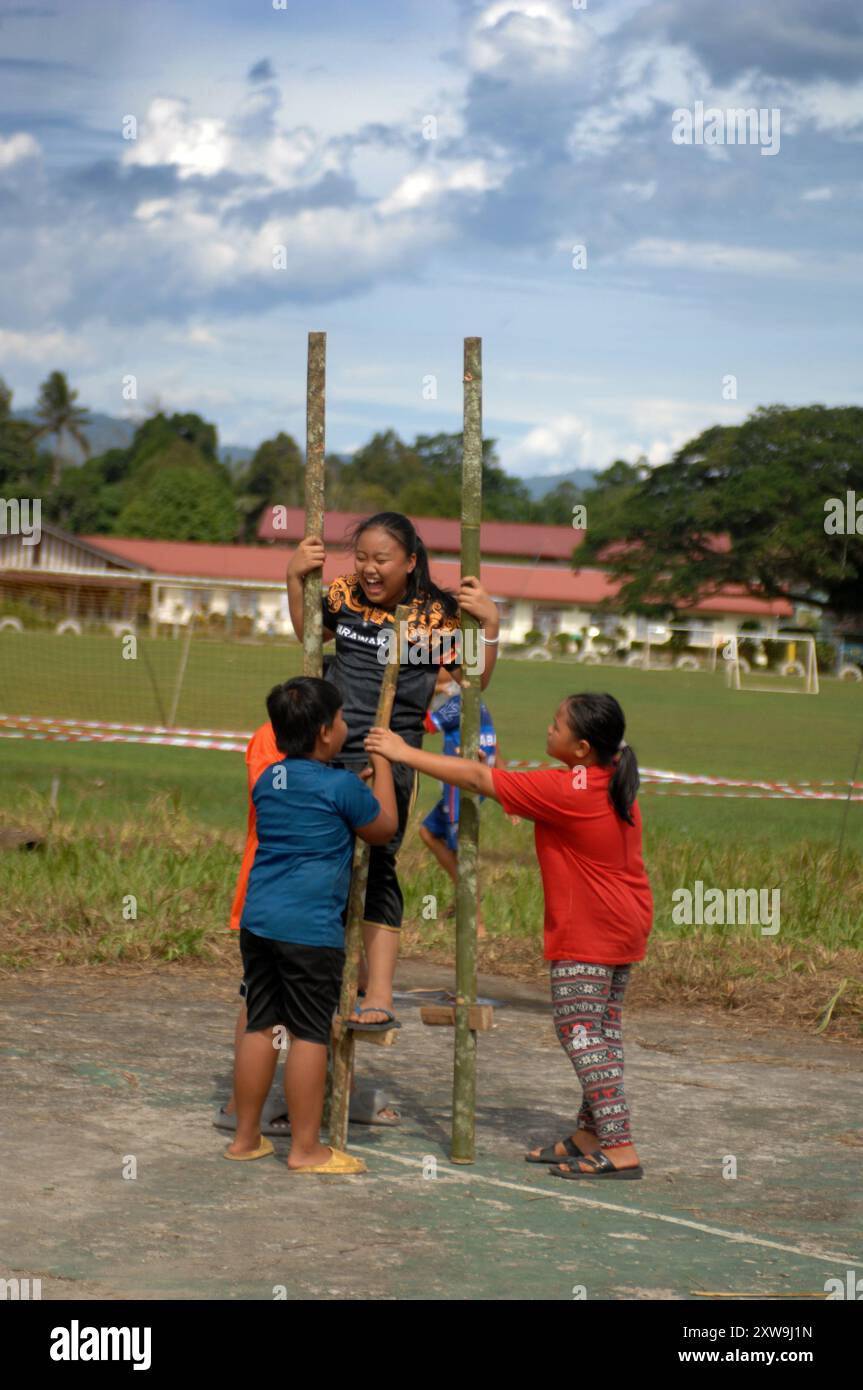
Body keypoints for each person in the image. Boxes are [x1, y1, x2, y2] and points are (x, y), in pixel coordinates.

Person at [365, 691, 653, 1180]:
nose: (548, 727)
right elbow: (509, 789)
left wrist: (401, 751)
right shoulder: (599, 782)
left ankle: (620, 1147)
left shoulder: (571, 790)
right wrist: (492, 780)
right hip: (624, 921)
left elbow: (482, 779)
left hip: (591, 930)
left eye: (557, 724)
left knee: (579, 1033)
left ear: (582, 747)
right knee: (601, 1033)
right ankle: (591, 1133)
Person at [287, 511, 500, 1032]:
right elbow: (307, 637)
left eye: (381, 559)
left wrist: (489, 627)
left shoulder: (437, 616)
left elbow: (474, 683)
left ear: (410, 560)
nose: (369, 569)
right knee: (324, 862)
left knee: (378, 862)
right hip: (329, 752)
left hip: (391, 756)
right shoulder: (341, 595)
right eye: (361, 558)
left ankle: (379, 993)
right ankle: (338, 977)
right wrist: (294, 578)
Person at [224, 676, 397, 1173]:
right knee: (308, 1034)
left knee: (262, 1023)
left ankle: (245, 1138)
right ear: (326, 732)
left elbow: (311, 800)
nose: (345, 725)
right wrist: (382, 766)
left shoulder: (268, 780)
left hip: (260, 923)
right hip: (310, 931)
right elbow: (382, 827)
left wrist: (349, 788)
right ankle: (305, 1149)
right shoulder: (341, 786)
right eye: (341, 719)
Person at [419, 666, 498, 937]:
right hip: (471, 776)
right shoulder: (472, 697)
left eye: (437, 668)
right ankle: (463, 891)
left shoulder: (457, 701)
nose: (433, 669)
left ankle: (478, 923)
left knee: (462, 850)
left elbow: (426, 725)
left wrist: (428, 691)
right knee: (428, 832)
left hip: (460, 780)